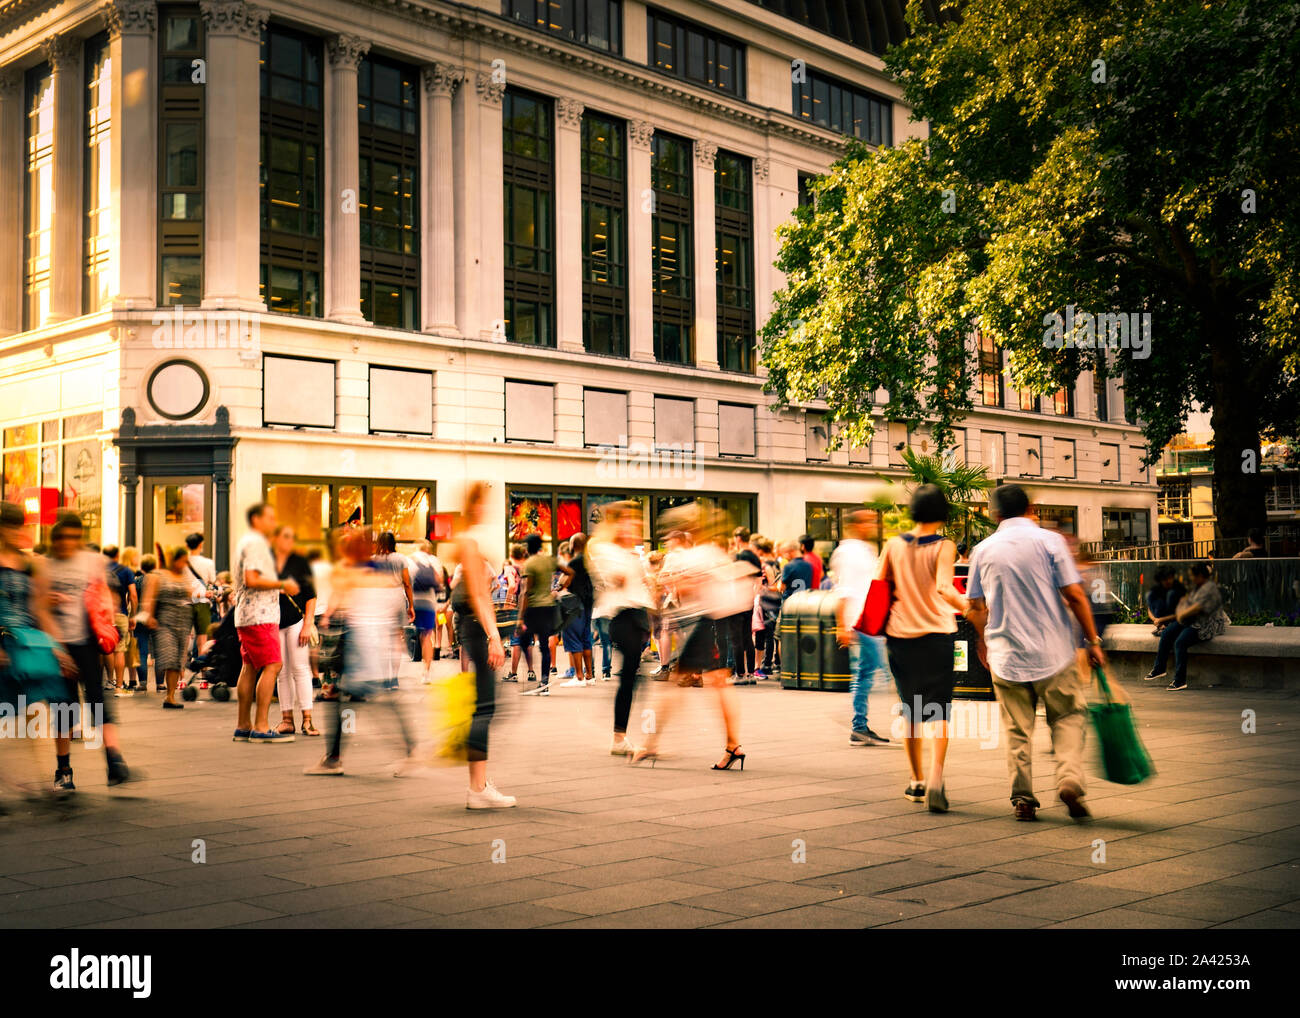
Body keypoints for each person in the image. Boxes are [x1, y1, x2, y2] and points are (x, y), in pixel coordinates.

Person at [965, 484, 1107, 822]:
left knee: (1017, 731)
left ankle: (1023, 800)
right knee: (1068, 718)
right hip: (1053, 653)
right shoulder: (1050, 542)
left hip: (1005, 655)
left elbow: (974, 606)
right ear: (1030, 508)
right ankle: (1069, 779)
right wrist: (1093, 641)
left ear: (994, 514)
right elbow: (1074, 594)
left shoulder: (982, 550)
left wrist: (983, 645)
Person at [633, 506, 750, 770]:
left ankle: (652, 744)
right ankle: (732, 746)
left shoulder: (702, 554)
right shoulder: (712, 552)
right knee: (713, 684)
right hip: (716, 622)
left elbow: (689, 587)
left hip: (710, 622)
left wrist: (676, 580)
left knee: (695, 683)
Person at [877, 488, 967, 811]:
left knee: (911, 708)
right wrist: (968, 606)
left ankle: (915, 781)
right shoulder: (944, 546)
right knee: (939, 709)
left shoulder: (893, 545)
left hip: (900, 637)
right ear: (942, 514)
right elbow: (944, 587)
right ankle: (936, 779)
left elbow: (878, 586)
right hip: (937, 636)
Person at [44, 514, 130, 789]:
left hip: (88, 642)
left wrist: (105, 612)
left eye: (74, 537)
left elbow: (108, 596)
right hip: (59, 644)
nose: (68, 543)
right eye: (63, 537)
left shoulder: (92, 561)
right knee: (64, 708)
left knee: (99, 701)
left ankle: (114, 760)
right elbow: (38, 605)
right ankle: (63, 769)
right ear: (54, 540)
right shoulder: (46, 567)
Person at [450, 483, 513, 807]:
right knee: (486, 707)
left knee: (485, 706)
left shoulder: (467, 540)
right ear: (474, 505)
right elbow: (478, 596)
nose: (488, 509)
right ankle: (477, 789)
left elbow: (481, 594)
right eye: (484, 503)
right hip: (476, 629)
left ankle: (478, 784)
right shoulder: (467, 541)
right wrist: (494, 638)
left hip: (473, 628)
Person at [589, 503, 653, 754]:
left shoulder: (627, 553)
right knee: (630, 677)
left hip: (637, 617)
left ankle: (623, 736)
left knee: (634, 678)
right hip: (622, 618)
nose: (635, 525)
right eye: (628, 520)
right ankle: (619, 737)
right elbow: (615, 579)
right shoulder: (606, 549)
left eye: (636, 520)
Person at [232, 503, 297, 743]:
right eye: (269, 518)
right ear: (256, 519)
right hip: (260, 615)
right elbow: (252, 578)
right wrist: (282, 585)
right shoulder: (256, 543)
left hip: (247, 614)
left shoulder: (246, 542)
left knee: (249, 666)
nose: (273, 522)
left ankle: (243, 724)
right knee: (273, 665)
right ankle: (260, 725)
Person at [833, 510, 891, 748]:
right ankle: (859, 726)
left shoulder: (864, 550)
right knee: (880, 673)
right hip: (860, 621)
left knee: (866, 673)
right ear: (856, 525)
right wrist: (842, 627)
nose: (873, 525)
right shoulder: (848, 552)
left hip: (869, 620)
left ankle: (859, 726)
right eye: (869, 521)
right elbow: (844, 591)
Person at [1144, 562, 1229, 691]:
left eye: (1192, 576)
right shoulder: (1197, 587)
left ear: (1200, 575)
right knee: (1167, 633)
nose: (1191, 578)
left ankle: (1180, 681)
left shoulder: (1209, 588)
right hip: (1191, 620)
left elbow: (1197, 607)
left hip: (1205, 624)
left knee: (1180, 642)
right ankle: (1159, 668)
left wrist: (1181, 614)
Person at [139, 544, 197, 709]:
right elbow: (149, 598)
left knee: (178, 659)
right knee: (168, 656)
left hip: (183, 621)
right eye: (182, 561)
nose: (184, 565)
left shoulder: (184, 576)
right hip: (165, 621)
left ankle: (170, 696)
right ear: (175, 560)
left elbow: (190, 594)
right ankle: (165, 691)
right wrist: (148, 615)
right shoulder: (157, 575)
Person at [272, 526, 317, 735]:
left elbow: (311, 596)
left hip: (296, 621)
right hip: (273, 622)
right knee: (282, 672)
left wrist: (308, 624)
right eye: (284, 537)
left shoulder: (300, 563)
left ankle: (307, 720)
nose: (288, 541)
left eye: (291, 538)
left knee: (300, 668)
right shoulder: (267, 563)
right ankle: (286, 719)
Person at [518, 533, 569, 696]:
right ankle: (544, 682)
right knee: (544, 644)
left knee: (524, 640)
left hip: (533, 608)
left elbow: (526, 591)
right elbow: (569, 572)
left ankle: (532, 671)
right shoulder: (549, 560)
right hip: (548, 607)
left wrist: (520, 617)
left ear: (528, 547)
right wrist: (559, 589)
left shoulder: (529, 564)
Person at [560, 533, 597, 687]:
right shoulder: (590, 561)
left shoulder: (574, 562)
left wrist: (558, 586)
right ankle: (590, 675)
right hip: (588, 604)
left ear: (573, 545)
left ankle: (579, 676)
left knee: (573, 638)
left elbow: (564, 581)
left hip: (574, 604)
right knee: (585, 639)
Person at [102, 545, 138, 696]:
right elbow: (133, 595)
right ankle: (118, 686)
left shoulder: (98, 570)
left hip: (101, 614)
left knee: (102, 649)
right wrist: (133, 615)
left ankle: (104, 681)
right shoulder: (126, 571)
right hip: (120, 613)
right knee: (119, 650)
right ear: (117, 555)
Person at [184, 533, 218, 654]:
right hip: (202, 601)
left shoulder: (182, 562)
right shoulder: (208, 563)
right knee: (202, 638)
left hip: (185, 602)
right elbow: (212, 580)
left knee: (184, 639)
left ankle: (181, 672)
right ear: (201, 544)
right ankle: (202, 670)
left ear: (186, 546)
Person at [1145, 566, 1187, 636]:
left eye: (1170, 578)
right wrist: (1156, 620)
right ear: (1160, 580)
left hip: (1176, 620)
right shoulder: (1156, 589)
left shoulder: (1179, 588)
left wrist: (1161, 620)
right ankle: (1162, 627)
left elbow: (1182, 612)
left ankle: (1167, 627)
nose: (1168, 581)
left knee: (1171, 594)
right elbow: (1149, 608)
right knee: (1150, 595)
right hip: (1161, 621)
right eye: (1165, 579)